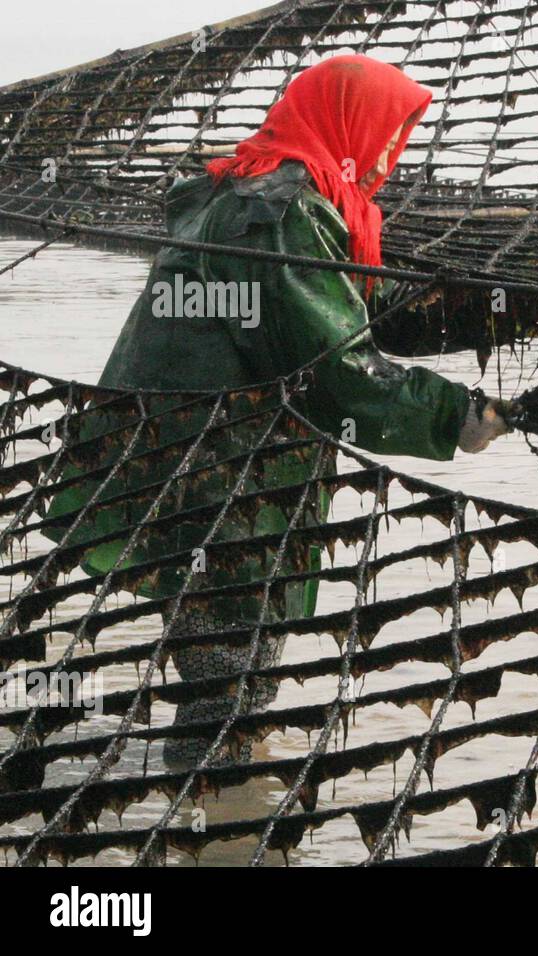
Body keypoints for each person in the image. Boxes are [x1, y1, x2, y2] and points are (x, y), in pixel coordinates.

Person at [44, 55, 511, 768]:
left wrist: (483, 317)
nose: (393, 150)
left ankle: (205, 803)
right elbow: (332, 367)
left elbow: (340, 315)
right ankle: (201, 817)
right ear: (343, 119)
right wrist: (459, 415)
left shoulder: (259, 191)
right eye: (388, 129)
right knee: (230, 673)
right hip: (216, 471)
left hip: (188, 454)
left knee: (225, 667)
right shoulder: (278, 210)